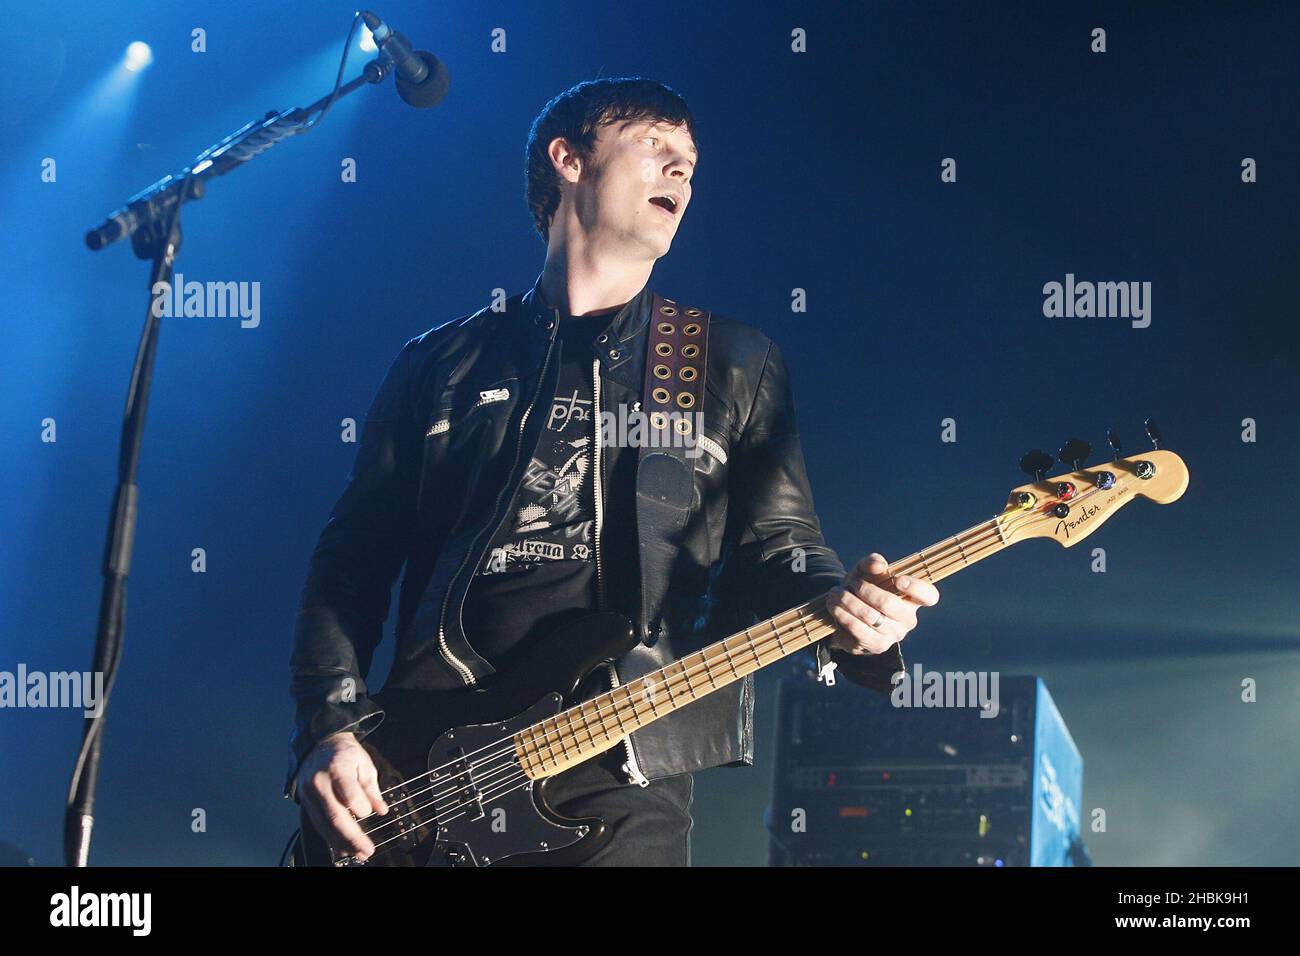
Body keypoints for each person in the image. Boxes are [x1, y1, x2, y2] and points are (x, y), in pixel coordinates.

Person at [287, 77, 939, 866]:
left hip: (621, 766)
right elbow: (351, 562)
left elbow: (780, 546)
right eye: (656, 148)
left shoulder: (731, 361)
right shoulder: (442, 363)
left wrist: (856, 625)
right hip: (418, 768)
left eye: (690, 164)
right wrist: (331, 728)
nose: (680, 174)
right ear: (568, 159)